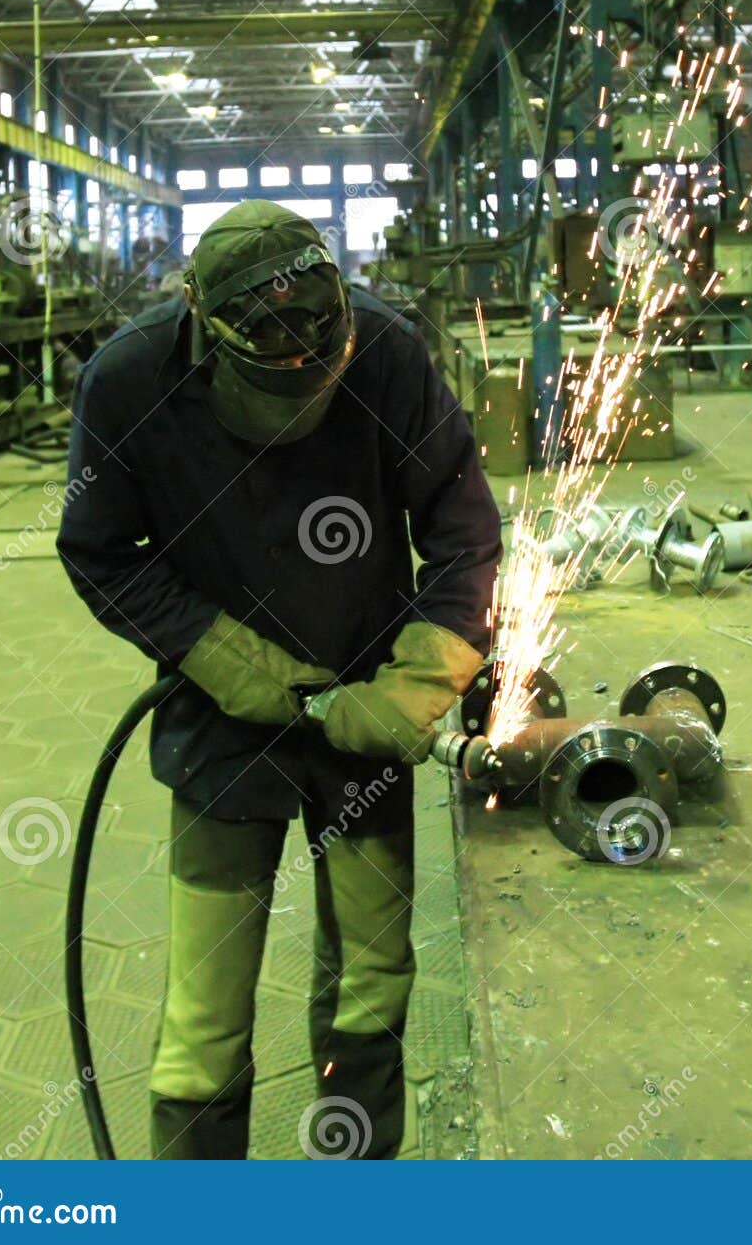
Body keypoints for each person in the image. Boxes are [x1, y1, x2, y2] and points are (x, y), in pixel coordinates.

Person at [57, 200, 501, 1159]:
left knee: (374, 983)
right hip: (221, 727)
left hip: (368, 719)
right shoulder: (129, 380)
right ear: (204, 330)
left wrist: (416, 688)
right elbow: (100, 553)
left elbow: (465, 540)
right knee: (206, 1019)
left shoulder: (385, 354)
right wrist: (242, 669)